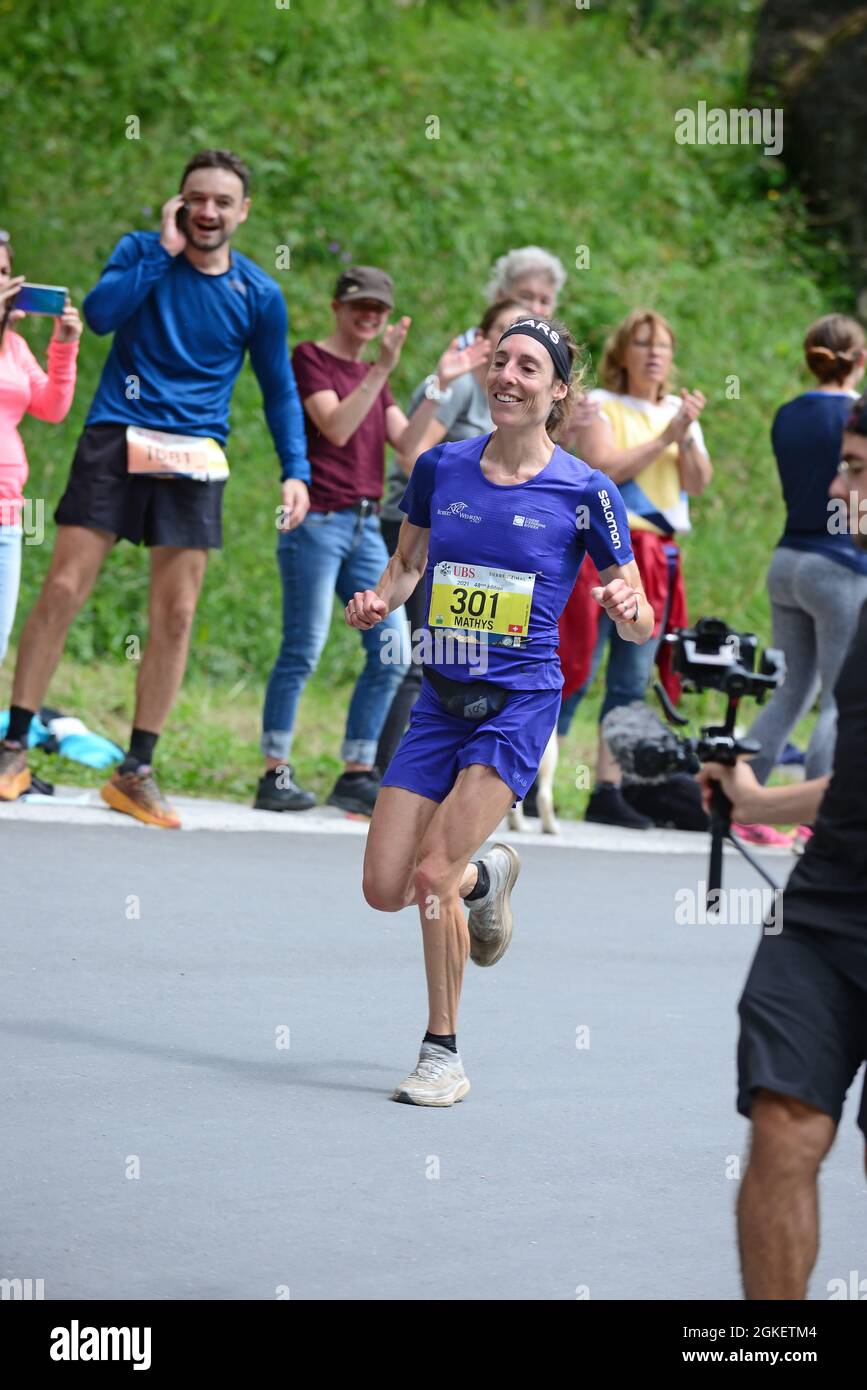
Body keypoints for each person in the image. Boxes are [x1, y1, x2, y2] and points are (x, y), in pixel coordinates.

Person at [349, 315, 654, 1106]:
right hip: (441, 698)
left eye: (528, 368)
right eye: (500, 362)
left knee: (427, 876)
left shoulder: (587, 491)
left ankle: (441, 1053)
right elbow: (408, 562)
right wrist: (377, 600)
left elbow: (638, 616)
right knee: (384, 885)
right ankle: (487, 878)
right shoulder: (441, 467)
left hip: (517, 704)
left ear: (557, 392)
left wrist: (627, 603)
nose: (508, 377)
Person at [0, 149, 311, 825]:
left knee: (175, 614)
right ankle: (13, 744)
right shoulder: (141, 251)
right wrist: (160, 251)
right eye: (195, 199)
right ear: (178, 203)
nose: (207, 212)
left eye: (222, 202)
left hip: (194, 454)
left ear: (242, 213)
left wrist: (296, 469)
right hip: (117, 433)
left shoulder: (258, 293)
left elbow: (279, 388)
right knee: (62, 588)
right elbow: (105, 314)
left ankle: (136, 769)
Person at [699, 395, 867, 1299]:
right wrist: (755, 795)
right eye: (843, 465)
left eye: (855, 469)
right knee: (783, 1124)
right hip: (826, 903)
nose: (838, 487)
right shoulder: (861, 604)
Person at [254, 267, 492, 816]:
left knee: (392, 652)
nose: (370, 316)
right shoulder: (311, 358)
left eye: (380, 309)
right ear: (337, 305)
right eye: (360, 305)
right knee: (303, 647)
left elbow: (408, 445)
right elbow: (335, 426)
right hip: (317, 521)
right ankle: (274, 773)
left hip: (364, 526)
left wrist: (440, 383)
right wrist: (381, 368)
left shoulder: (373, 375)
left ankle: (356, 771)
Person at [559, 307, 712, 829]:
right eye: (643, 344)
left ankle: (608, 787)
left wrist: (685, 434)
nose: (654, 354)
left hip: (659, 556)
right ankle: (530, 777)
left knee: (630, 678)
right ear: (623, 353)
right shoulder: (600, 405)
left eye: (662, 346)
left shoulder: (676, 413)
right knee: (574, 667)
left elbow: (697, 483)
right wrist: (666, 436)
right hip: (608, 550)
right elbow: (604, 468)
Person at [374, 297, 524, 775]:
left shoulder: (513, 406)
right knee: (424, 656)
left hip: (471, 545)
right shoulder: (460, 388)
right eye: (502, 335)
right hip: (426, 531)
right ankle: (384, 775)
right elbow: (411, 455)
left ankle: (455, 774)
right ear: (484, 341)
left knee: (460, 655)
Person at [744, 314, 867, 850]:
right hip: (839, 563)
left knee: (791, 687)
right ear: (858, 359)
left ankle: (741, 800)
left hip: (788, 557)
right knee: (840, 697)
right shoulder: (855, 417)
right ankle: (821, 820)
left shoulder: (787, 414)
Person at [0, 231, 81, 669]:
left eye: (5, 272)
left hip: (8, 515)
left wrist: (64, 346)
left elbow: (51, 408)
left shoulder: (14, 348)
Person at [457, 246, 567, 347]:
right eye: (526, 297)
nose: (536, 309)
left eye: (544, 302)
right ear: (500, 296)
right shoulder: (466, 352)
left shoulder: (552, 353)